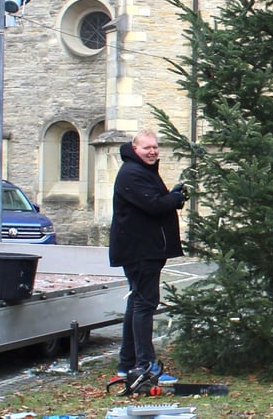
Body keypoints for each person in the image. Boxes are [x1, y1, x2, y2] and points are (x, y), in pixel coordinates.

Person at [109, 129, 186, 385]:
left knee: (136, 304)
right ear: (135, 149)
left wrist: (171, 196)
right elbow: (153, 204)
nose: (152, 152)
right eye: (147, 148)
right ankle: (145, 366)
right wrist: (173, 199)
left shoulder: (142, 171)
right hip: (140, 251)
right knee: (144, 305)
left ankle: (126, 363)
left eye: (155, 147)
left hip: (145, 250)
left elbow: (154, 200)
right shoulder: (132, 173)